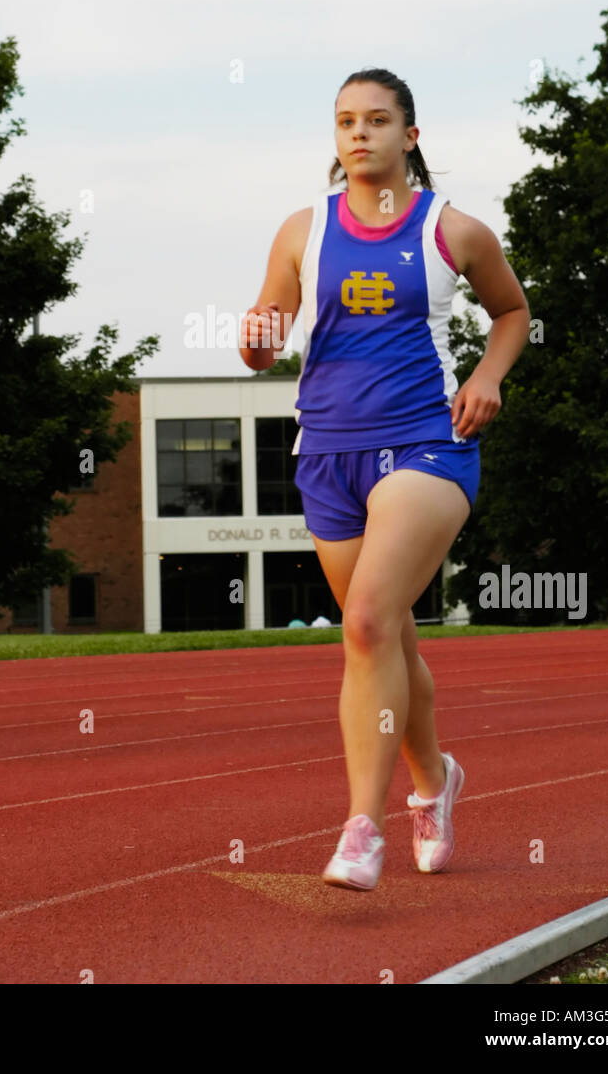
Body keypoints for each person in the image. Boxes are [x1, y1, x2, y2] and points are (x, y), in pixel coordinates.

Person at [239, 68, 530, 890]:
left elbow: (514, 311)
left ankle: (362, 827)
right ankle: (435, 783)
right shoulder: (304, 230)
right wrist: (256, 340)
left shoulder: (454, 229)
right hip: (327, 450)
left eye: (376, 120)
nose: (358, 134)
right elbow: (267, 332)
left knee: (366, 622)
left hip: (427, 445)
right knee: (390, 636)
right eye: (343, 122)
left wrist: (487, 377)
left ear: (410, 134)